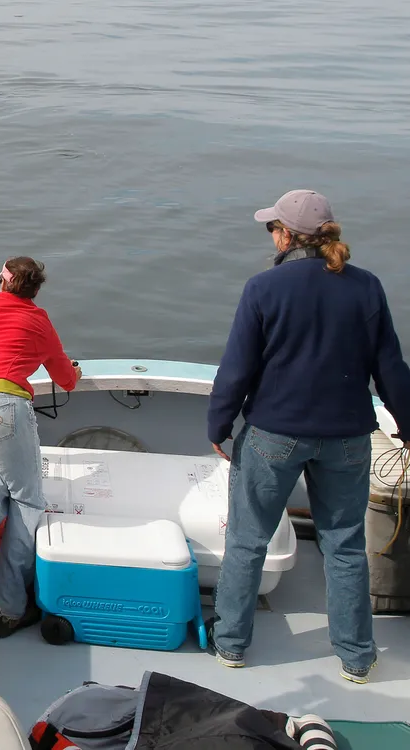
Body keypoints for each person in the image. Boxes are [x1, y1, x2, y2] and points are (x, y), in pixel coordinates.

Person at [207, 189, 410, 684]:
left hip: (274, 432)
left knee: (248, 540)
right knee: (343, 546)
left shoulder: (264, 287)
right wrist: (406, 423)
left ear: (286, 235)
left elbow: (236, 369)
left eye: (271, 228)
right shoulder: (367, 287)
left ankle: (232, 644)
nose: (269, 236)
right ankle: (358, 656)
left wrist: (219, 424)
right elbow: (390, 367)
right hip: (347, 437)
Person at [0, 257, 81, 637]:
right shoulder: (39, 321)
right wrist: (76, 373)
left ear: (2, 283)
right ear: (36, 290)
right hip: (4, 407)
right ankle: (7, 609)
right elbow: (65, 380)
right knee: (27, 500)